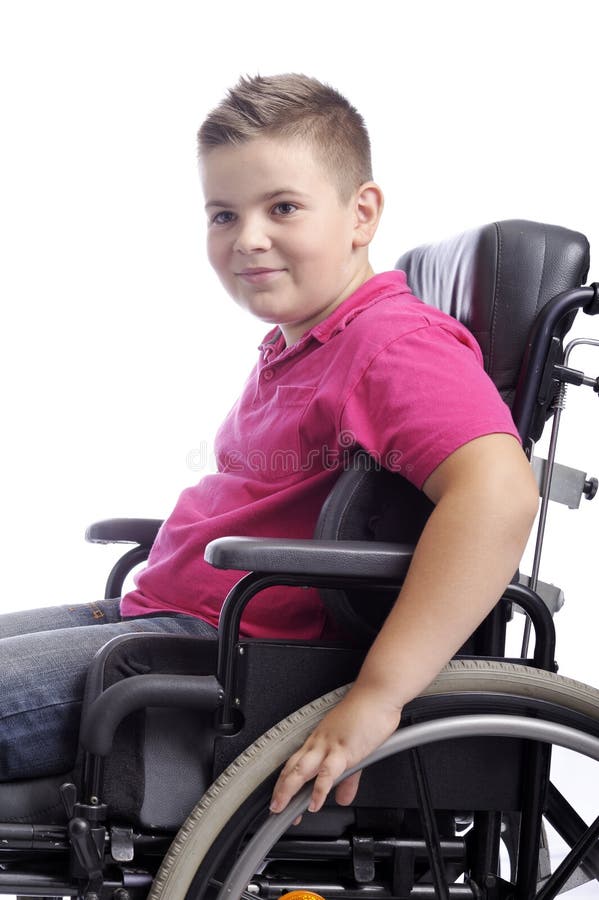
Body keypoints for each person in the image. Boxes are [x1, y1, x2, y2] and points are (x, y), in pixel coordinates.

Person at [0, 74, 539, 815]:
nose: (247, 238)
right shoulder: (307, 340)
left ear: (361, 213)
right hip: (167, 611)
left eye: (282, 207)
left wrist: (378, 696)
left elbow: (498, 493)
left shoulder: (393, 344)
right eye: (223, 214)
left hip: (230, 653)